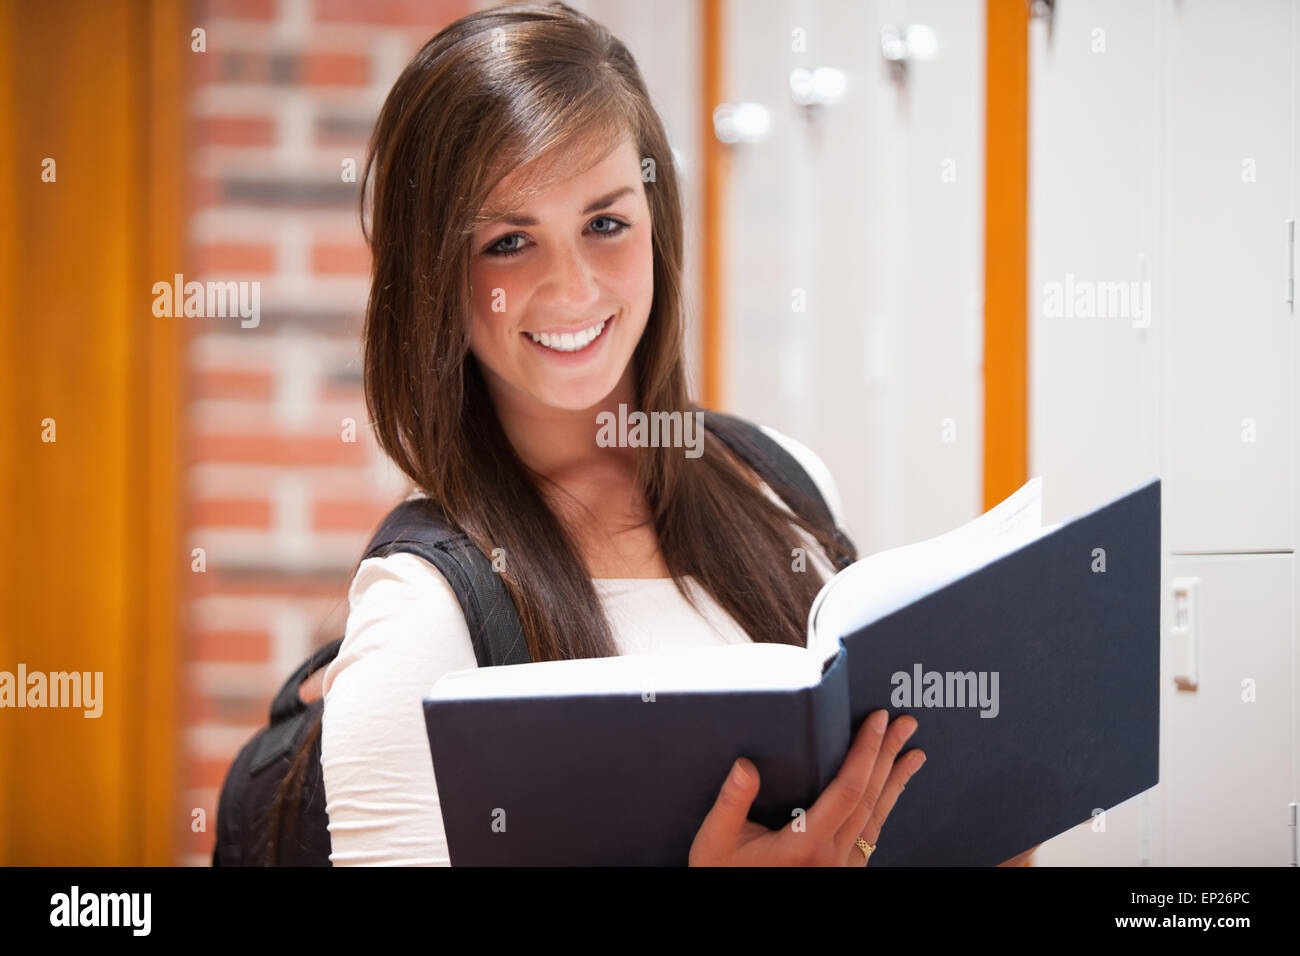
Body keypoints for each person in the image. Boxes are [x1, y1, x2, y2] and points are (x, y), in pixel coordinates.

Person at [318, 0, 927, 867]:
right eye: (508, 242)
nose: (572, 289)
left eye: (605, 224)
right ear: (436, 279)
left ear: (655, 226)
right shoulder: (421, 623)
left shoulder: (783, 486)